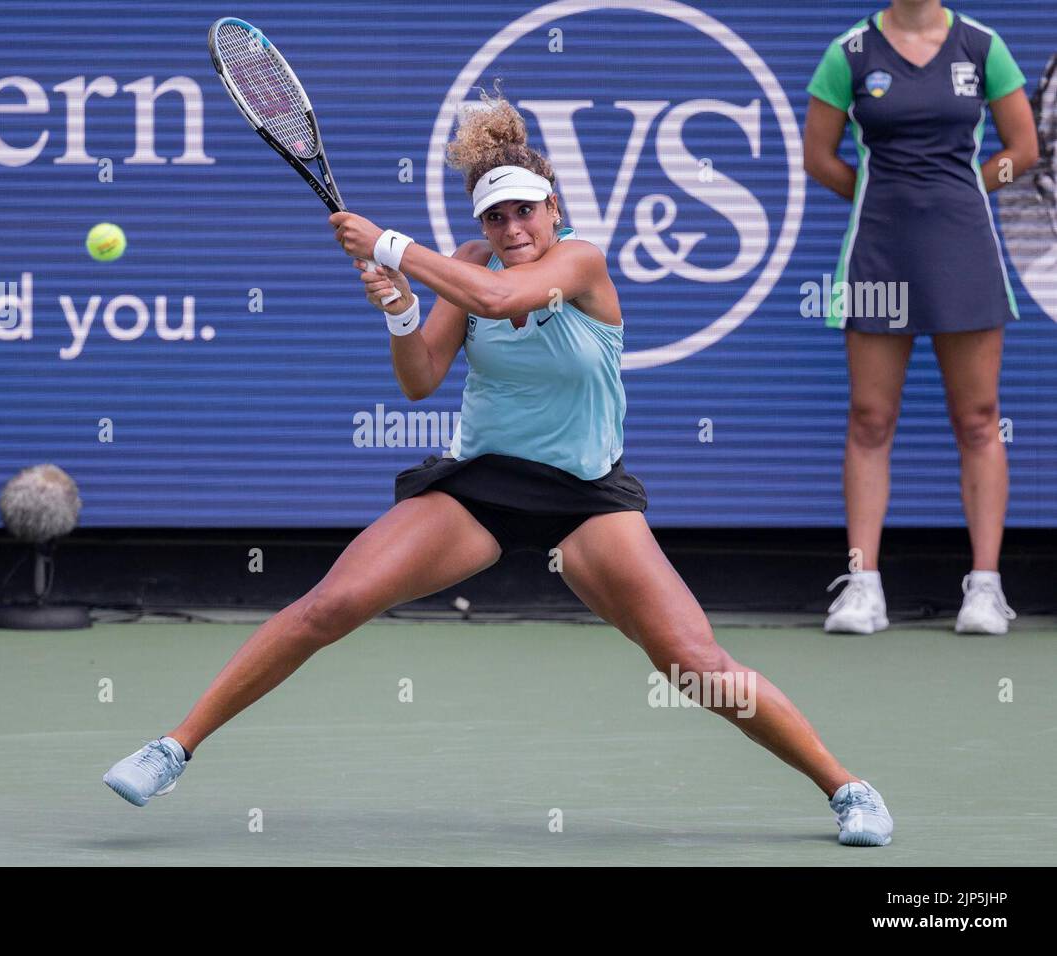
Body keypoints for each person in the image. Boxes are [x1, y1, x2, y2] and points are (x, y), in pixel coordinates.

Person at [103, 91, 894, 846]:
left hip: (589, 499)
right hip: (484, 486)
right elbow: (419, 380)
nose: (511, 225)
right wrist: (400, 308)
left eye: (525, 209)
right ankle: (173, 748)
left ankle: (846, 786)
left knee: (695, 665)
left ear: (554, 210)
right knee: (328, 606)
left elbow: (491, 297)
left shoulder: (581, 262)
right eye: (495, 213)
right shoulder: (468, 260)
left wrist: (388, 243)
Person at [803, 2, 1039, 635]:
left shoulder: (982, 46)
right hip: (878, 253)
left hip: (966, 253)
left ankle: (985, 589)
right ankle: (863, 586)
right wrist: (883, 195)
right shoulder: (849, 53)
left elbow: (1025, 148)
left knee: (979, 418)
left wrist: (965, 186)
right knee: (870, 419)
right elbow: (818, 157)